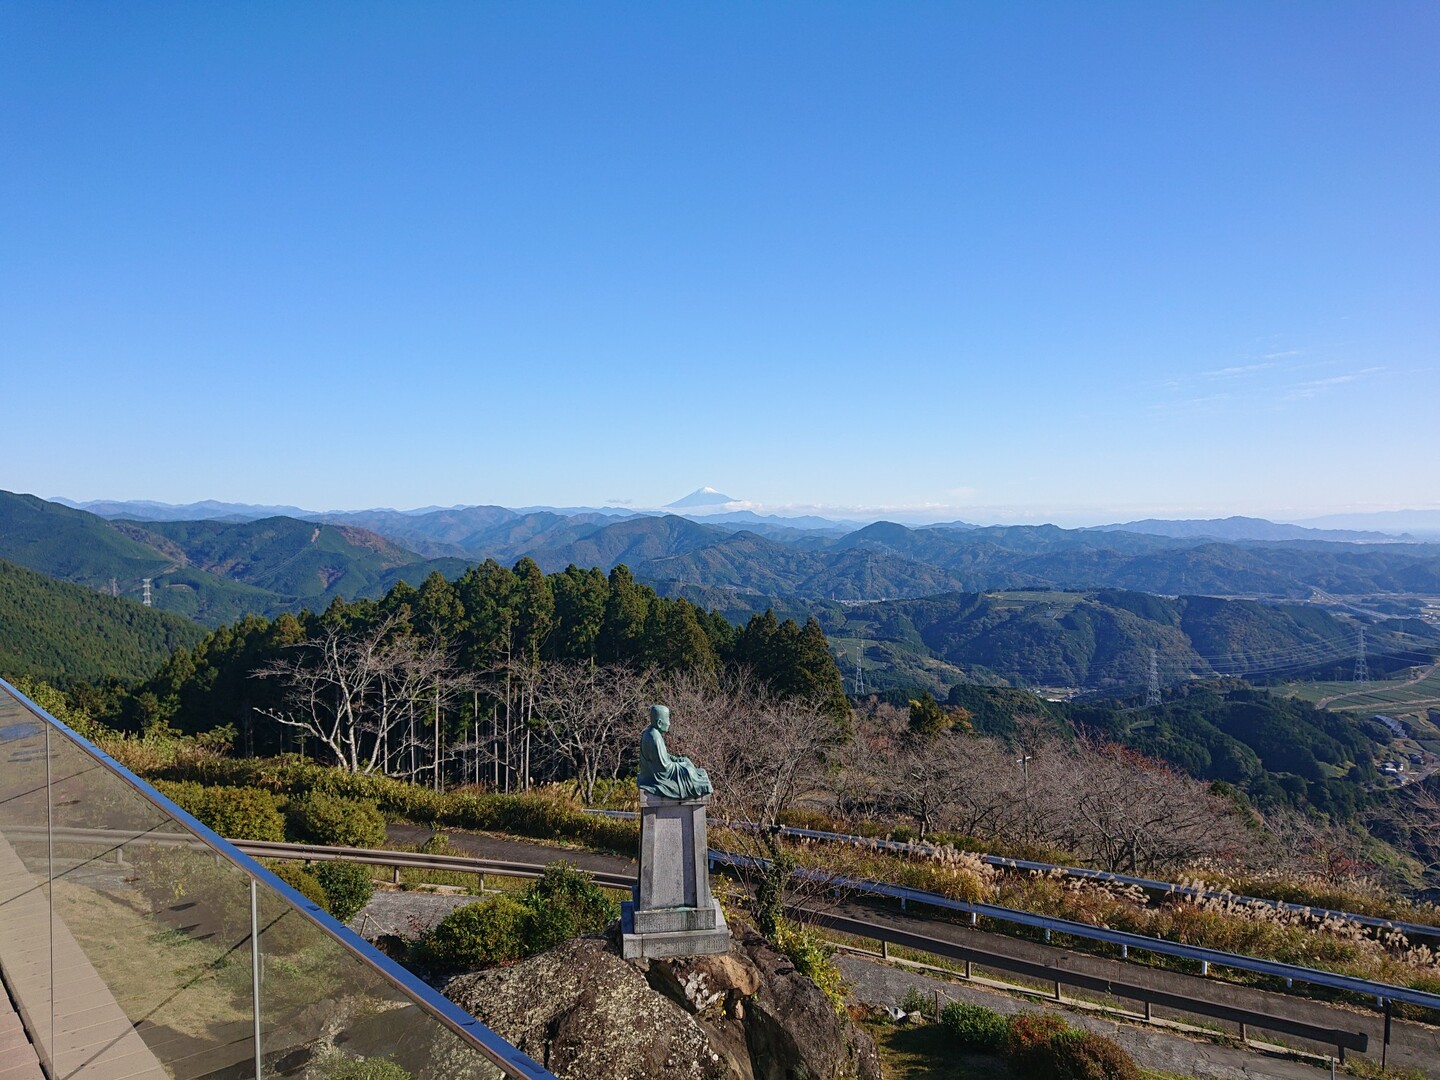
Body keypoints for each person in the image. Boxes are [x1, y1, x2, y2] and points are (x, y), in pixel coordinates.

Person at [637, 704, 712, 799]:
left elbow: (662, 757)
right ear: (660, 723)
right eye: (668, 719)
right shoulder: (655, 738)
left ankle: (695, 774)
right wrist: (681, 765)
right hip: (660, 776)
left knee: (688, 765)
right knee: (689, 770)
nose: (669, 723)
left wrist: (676, 759)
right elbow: (664, 768)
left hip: (658, 771)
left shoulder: (650, 733)